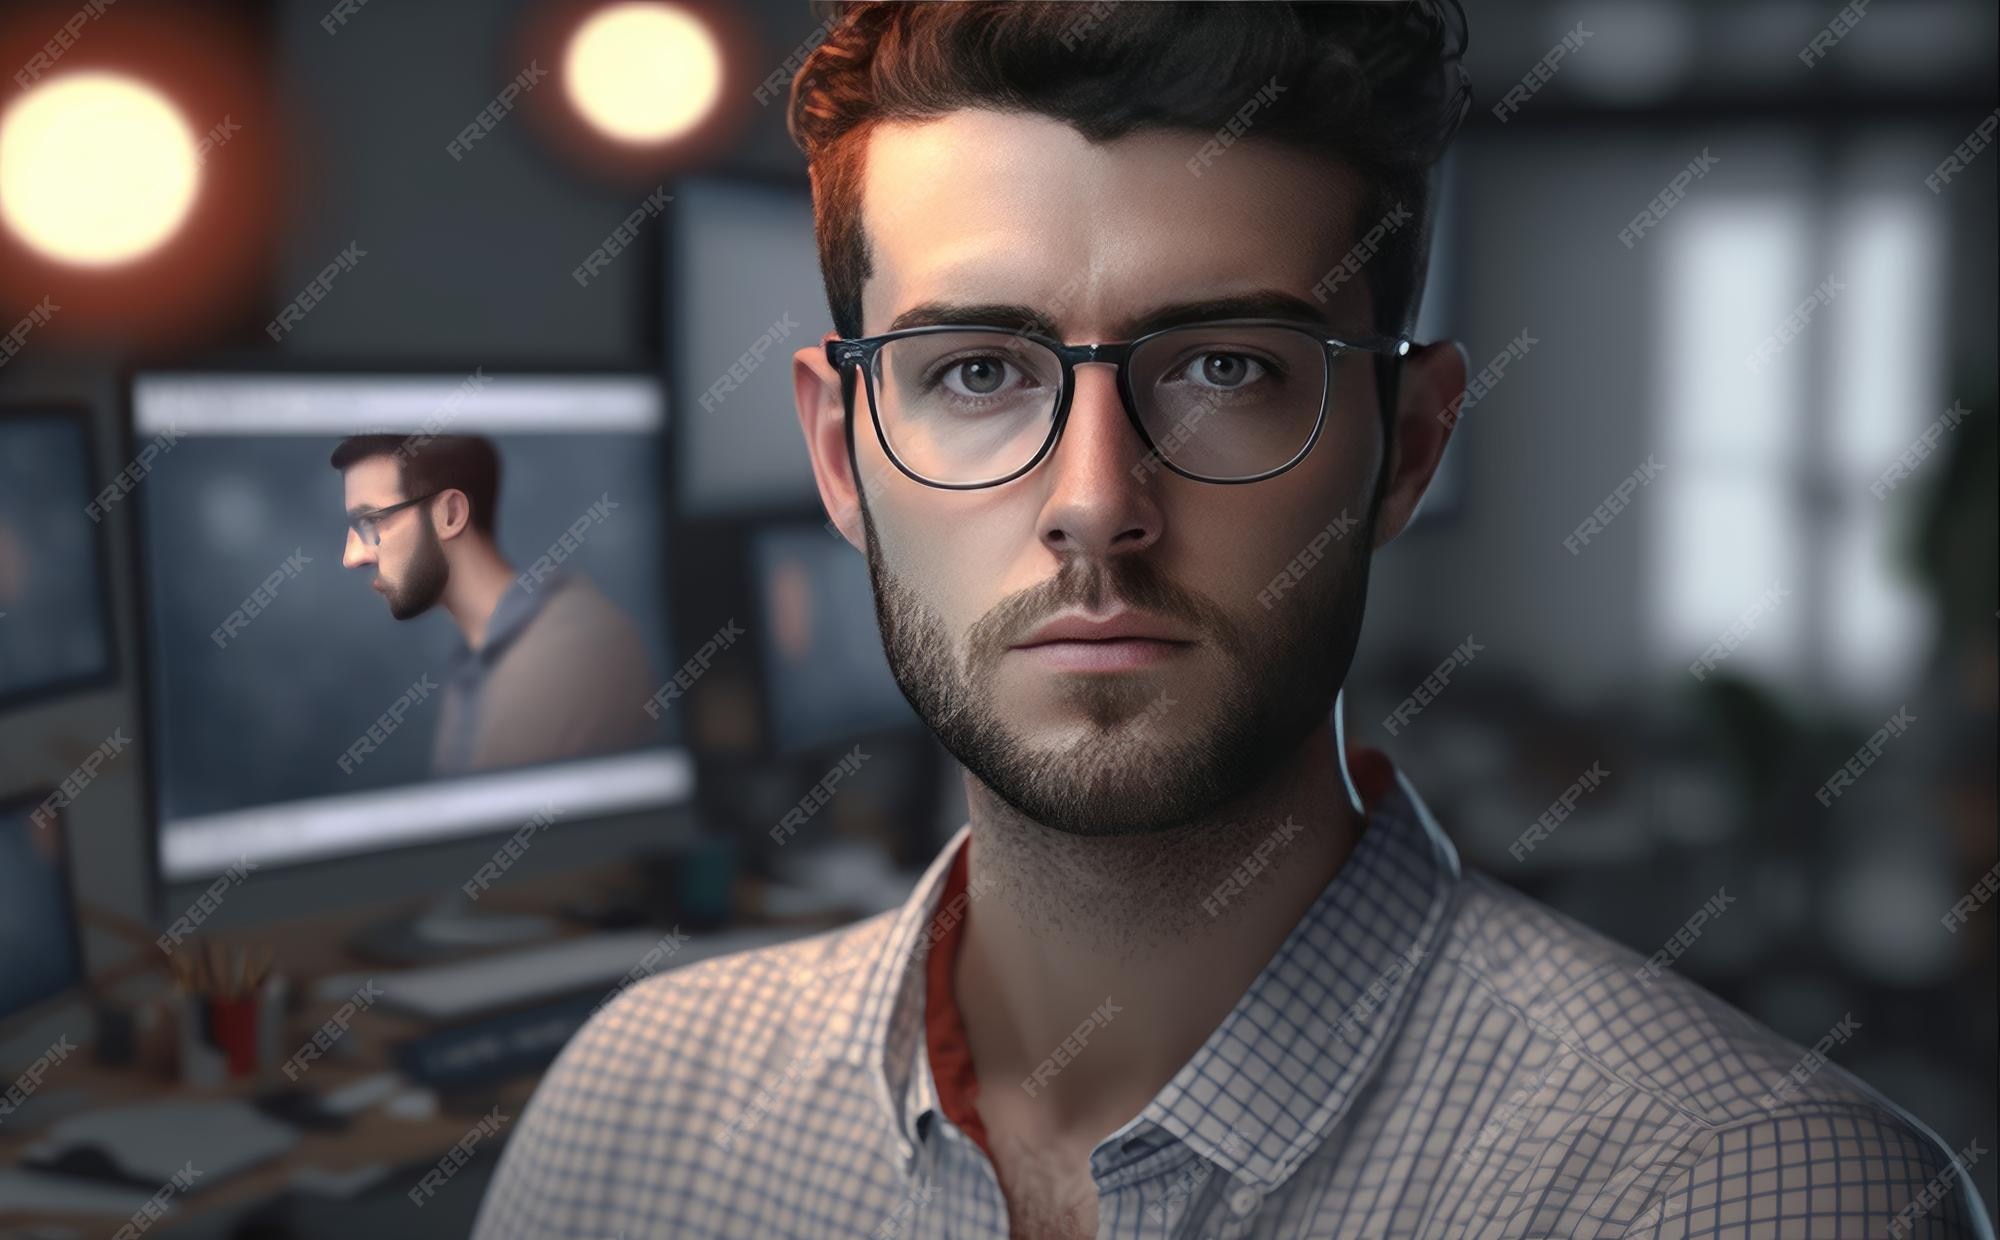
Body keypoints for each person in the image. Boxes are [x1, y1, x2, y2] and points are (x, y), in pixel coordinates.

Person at [474, 4, 1990, 1237]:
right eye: (980, 372)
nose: (1093, 500)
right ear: (837, 452)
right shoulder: (629, 1122)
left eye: (1222, 367)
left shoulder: (1762, 1201)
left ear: (1404, 444)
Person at [331, 433, 657, 776]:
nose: (351, 557)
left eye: (370, 523)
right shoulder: (476, 666)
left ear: (450, 514)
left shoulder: (574, 658)